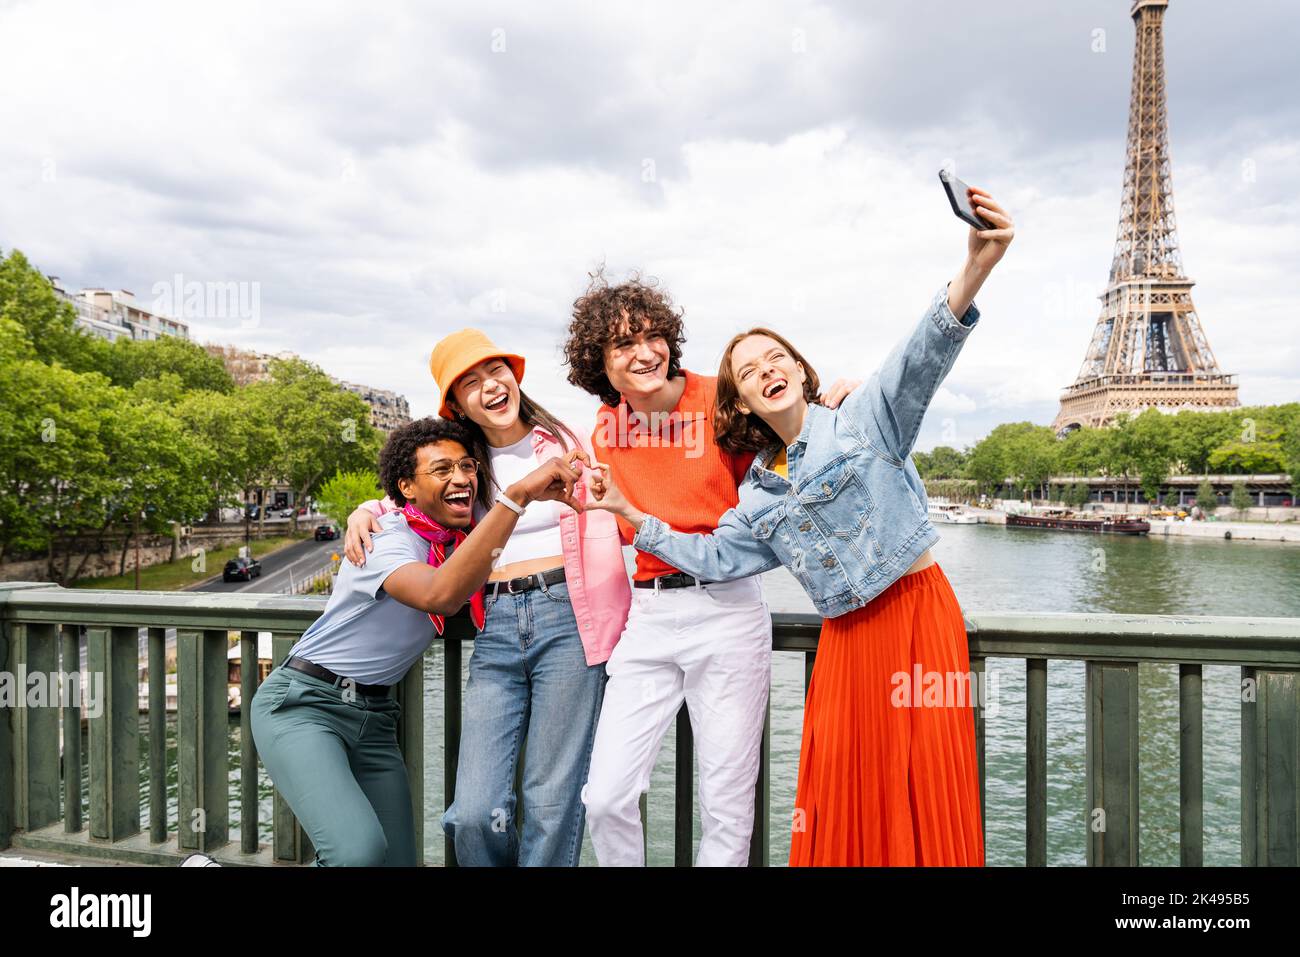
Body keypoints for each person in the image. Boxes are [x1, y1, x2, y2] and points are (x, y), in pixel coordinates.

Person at [586, 185, 1015, 866]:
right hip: (845, 635)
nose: (765, 370)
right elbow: (718, 554)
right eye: (749, 371)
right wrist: (634, 518)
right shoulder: (756, 492)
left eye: (774, 357)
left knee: (922, 780)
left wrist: (977, 265)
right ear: (743, 399)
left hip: (913, 616)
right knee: (845, 789)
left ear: (797, 366)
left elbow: (921, 354)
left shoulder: (863, 418)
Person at [563, 270, 859, 866]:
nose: (644, 353)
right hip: (647, 616)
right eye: (623, 345)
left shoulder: (721, 400)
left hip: (726, 609)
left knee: (726, 803)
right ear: (601, 363)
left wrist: (834, 403)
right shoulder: (605, 427)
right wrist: (382, 506)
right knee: (606, 797)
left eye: (652, 336)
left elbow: (792, 437)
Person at [343, 329, 630, 866]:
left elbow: (629, 497)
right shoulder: (464, 463)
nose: (489, 387)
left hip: (571, 618)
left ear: (513, 376)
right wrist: (365, 510)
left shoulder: (569, 445)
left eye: (494, 372)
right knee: (473, 813)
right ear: (456, 405)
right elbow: (408, 501)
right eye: (470, 383)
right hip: (496, 623)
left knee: (551, 802)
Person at [251, 415, 587, 866]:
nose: (462, 478)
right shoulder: (384, 537)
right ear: (407, 487)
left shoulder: (458, 541)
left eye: (468, 467)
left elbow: (481, 556)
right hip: (306, 704)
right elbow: (439, 594)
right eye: (442, 470)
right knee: (357, 854)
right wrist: (519, 494)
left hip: (375, 718)